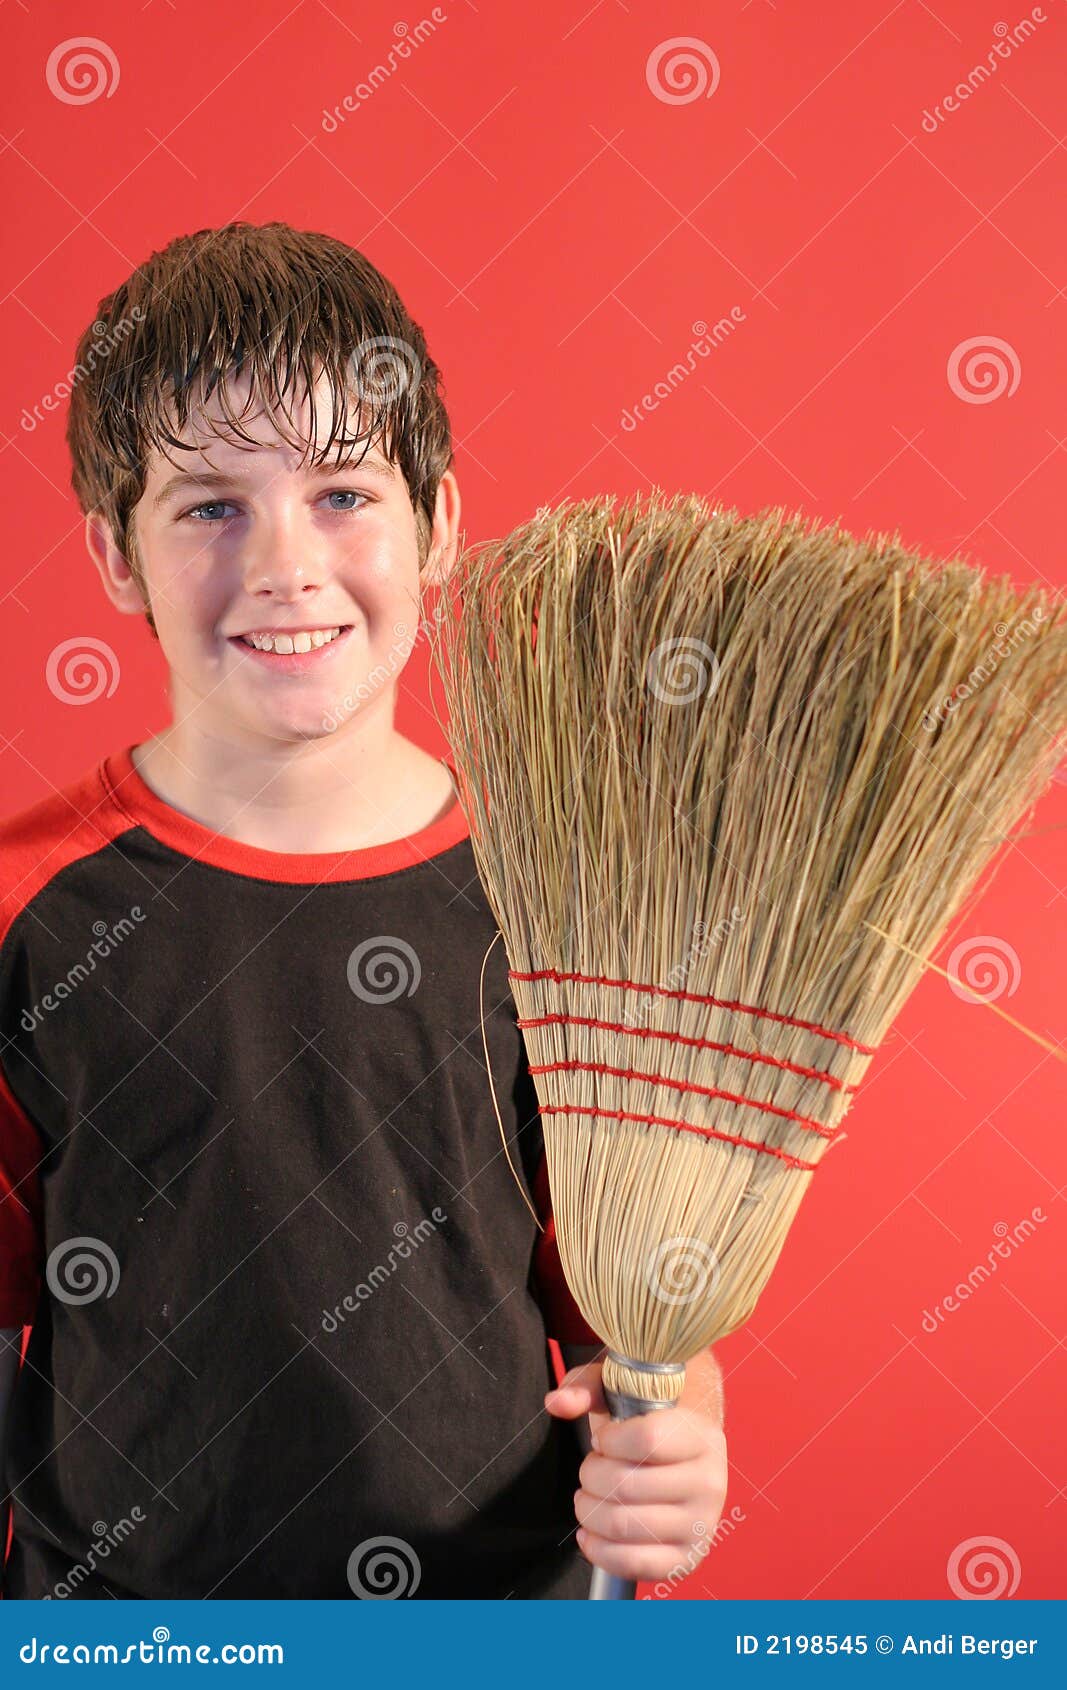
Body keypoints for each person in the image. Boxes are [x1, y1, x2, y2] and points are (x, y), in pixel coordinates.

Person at [0, 222, 726, 1599]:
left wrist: (685, 1435)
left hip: (507, 1637)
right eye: (209, 505)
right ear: (113, 554)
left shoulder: (565, 907)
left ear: (439, 522)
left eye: (342, 491)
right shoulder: (31, 915)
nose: (285, 563)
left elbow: (643, 1318)